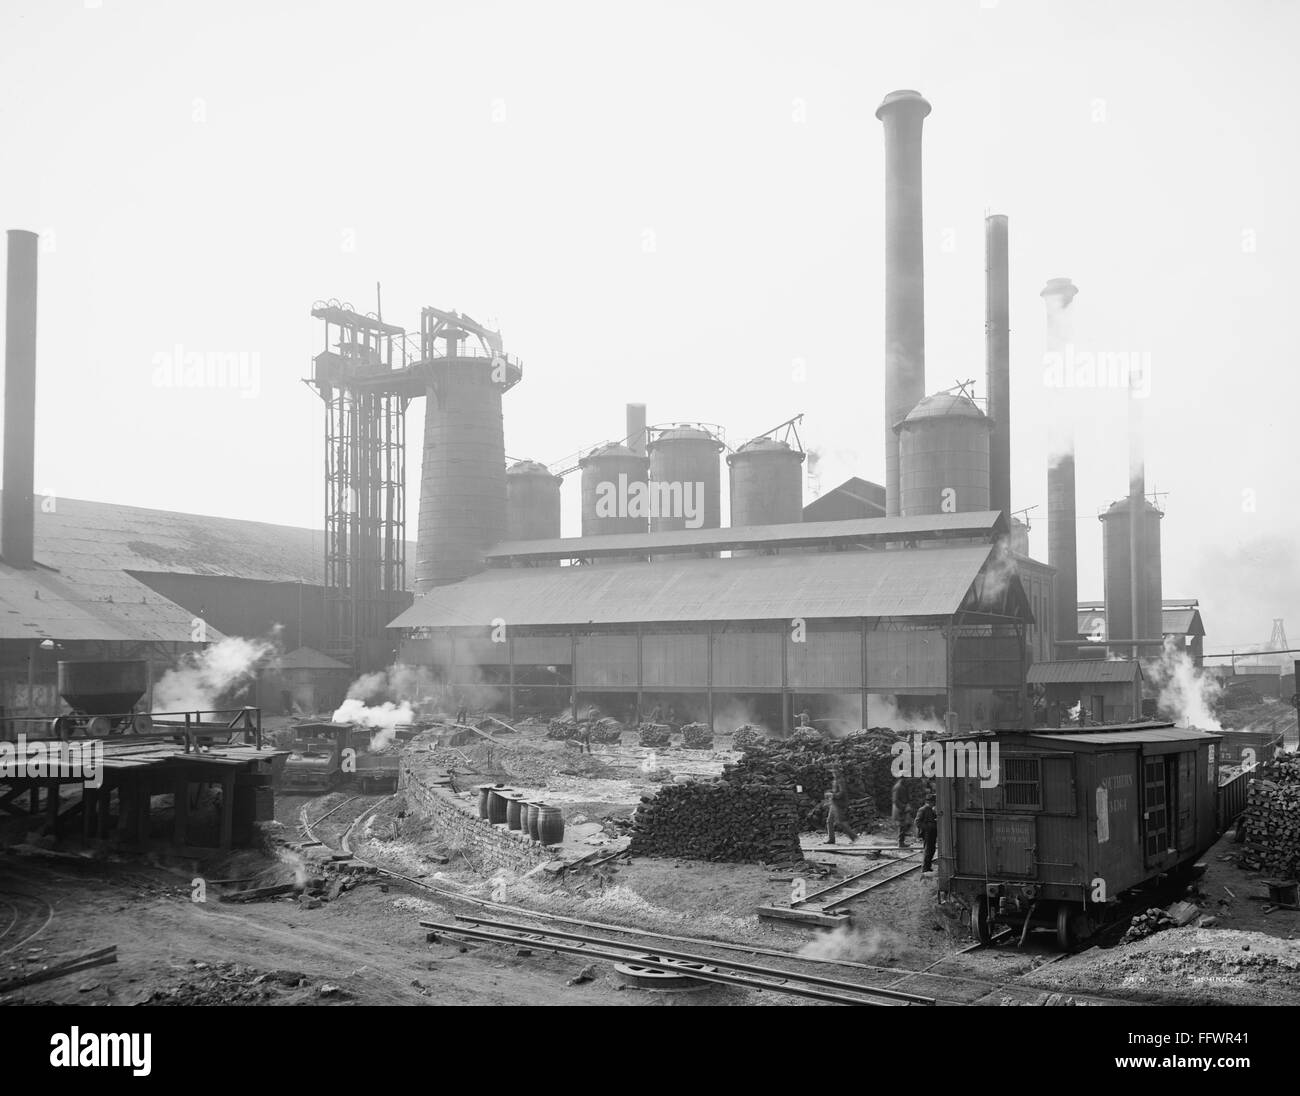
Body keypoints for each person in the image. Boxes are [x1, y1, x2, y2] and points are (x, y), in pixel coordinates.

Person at [825, 766, 857, 845]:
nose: (834, 773)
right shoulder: (835, 781)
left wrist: (833, 795)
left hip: (839, 803)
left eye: (835, 772)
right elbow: (836, 791)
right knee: (829, 821)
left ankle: (853, 836)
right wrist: (830, 793)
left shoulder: (840, 781)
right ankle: (831, 839)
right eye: (833, 772)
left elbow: (842, 793)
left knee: (840, 822)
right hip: (834, 803)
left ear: (839, 772)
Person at [916, 793, 938, 872]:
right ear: (930, 801)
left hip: (933, 832)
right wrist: (928, 827)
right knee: (928, 850)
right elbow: (917, 822)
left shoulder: (932, 809)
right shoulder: (923, 809)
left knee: (932, 850)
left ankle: (928, 867)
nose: (934, 803)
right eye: (933, 801)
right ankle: (925, 868)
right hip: (927, 833)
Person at [891, 776, 911, 848]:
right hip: (899, 808)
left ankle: (901, 842)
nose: (907, 779)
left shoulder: (902, 786)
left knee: (905, 825)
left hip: (902, 807)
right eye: (905, 778)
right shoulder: (898, 787)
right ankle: (900, 843)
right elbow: (895, 800)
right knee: (902, 825)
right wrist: (903, 807)